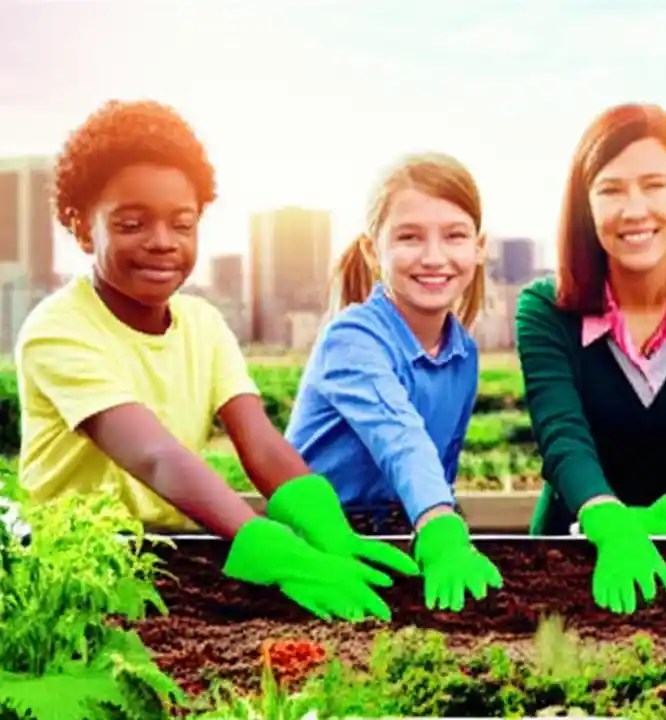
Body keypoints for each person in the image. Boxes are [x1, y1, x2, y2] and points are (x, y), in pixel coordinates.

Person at [15, 99, 416, 622]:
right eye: (132, 223)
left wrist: (327, 528)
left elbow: (260, 441)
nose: (162, 242)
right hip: (68, 566)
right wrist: (266, 544)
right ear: (82, 227)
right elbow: (154, 454)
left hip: (170, 555)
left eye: (182, 224)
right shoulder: (58, 328)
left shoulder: (202, 323)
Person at [514, 103, 666, 614]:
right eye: (611, 189)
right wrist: (608, 520)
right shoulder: (544, 309)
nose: (634, 209)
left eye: (654, 185)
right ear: (586, 204)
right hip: (570, 559)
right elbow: (561, 436)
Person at [286, 153, 503, 613]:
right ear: (372, 250)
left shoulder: (463, 353)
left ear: (479, 246)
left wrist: (441, 533)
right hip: (325, 550)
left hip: (405, 540)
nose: (433, 257)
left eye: (455, 236)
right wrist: (442, 528)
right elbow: (400, 437)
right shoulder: (351, 338)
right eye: (409, 237)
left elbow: (438, 470)